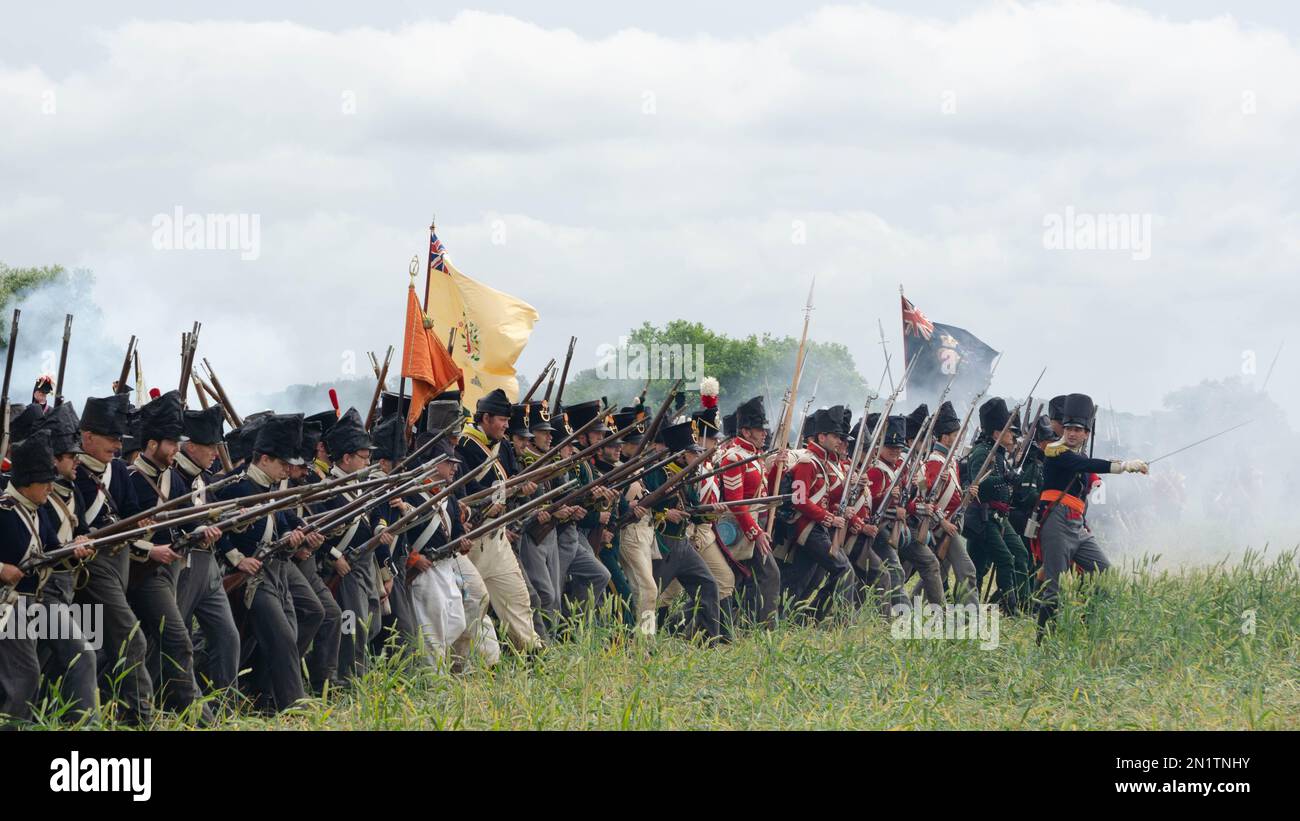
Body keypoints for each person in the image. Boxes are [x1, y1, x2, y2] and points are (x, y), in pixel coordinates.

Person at [1033, 393, 1147, 641]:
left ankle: (1088, 626)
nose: (1072, 433)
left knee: (1104, 572)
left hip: (1077, 523)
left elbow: (1085, 469)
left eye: (1078, 429)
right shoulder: (1055, 450)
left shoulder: (1080, 458)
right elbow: (1081, 465)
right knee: (1054, 587)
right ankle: (1043, 643)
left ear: (1086, 434)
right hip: (1056, 521)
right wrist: (1124, 466)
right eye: (1069, 428)